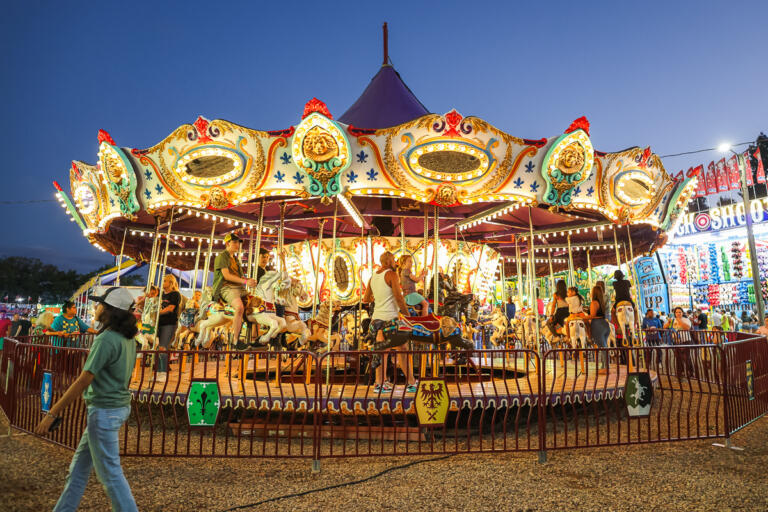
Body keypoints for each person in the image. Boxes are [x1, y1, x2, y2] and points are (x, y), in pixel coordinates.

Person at [35, 287, 139, 512]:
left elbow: (83, 380)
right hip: (115, 407)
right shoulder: (128, 339)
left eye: (100, 303)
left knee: (110, 475)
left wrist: (53, 412)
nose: (96, 307)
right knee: (78, 469)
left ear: (110, 311)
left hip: (104, 411)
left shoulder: (106, 339)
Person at [362, 251, 416, 393]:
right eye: (393, 260)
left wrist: (380, 299)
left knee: (382, 351)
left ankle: (380, 383)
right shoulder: (392, 275)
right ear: (389, 261)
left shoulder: (373, 277)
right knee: (403, 349)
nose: (395, 263)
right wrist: (407, 315)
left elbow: (366, 298)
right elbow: (399, 298)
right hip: (391, 319)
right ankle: (411, 383)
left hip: (376, 320)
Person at [211, 233, 257, 350]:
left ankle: (256, 338)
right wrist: (245, 282)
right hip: (226, 287)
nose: (237, 245)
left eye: (238, 243)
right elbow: (226, 276)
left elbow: (240, 276)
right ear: (227, 243)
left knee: (257, 305)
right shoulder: (222, 257)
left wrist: (249, 280)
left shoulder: (236, 259)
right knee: (240, 307)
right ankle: (235, 340)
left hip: (239, 288)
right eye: (234, 242)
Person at [154, 274, 181, 382]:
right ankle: (158, 372)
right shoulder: (160, 295)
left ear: (170, 283)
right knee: (158, 347)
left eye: (165, 281)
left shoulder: (175, 294)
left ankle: (163, 373)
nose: (163, 283)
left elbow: (170, 308)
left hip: (169, 323)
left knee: (163, 347)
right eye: (163, 280)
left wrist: (157, 313)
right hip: (159, 324)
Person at [585, 285, 610, 373]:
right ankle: (604, 365)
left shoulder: (594, 303)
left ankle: (605, 367)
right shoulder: (602, 302)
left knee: (602, 347)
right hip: (605, 324)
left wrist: (583, 317)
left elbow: (592, 315)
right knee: (604, 346)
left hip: (597, 324)